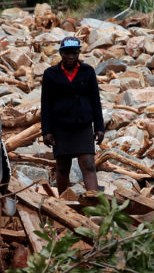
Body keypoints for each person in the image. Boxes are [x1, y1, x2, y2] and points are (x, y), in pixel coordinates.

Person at [40, 36, 105, 197]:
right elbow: (46, 104)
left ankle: (95, 202)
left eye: (74, 53)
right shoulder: (50, 74)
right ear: (61, 53)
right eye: (67, 53)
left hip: (82, 125)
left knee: (88, 163)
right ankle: (64, 203)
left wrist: (99, 127)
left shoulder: (87, 72)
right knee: (62, 167)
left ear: (78, 53)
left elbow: (95, 100)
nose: (70, 57)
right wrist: (46, 131)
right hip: (60, 126)